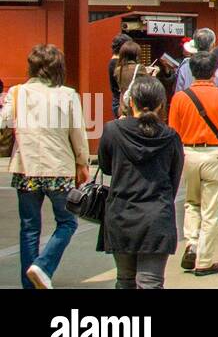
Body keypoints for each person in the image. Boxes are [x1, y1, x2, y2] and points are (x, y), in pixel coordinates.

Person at [1, 45, 90, 289]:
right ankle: (43, 266)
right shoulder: (68, 94)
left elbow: (3, 121)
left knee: (29, 227)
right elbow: (77, 133)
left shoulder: (17, 93)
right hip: (58, 168)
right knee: (67, 222)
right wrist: (82, 163)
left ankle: (30, 283)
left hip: (26, 169)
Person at [96, 76, 184, 288]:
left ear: (131, 102)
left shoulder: (112, 131)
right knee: (151, 282)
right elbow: (174, 177)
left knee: (125, 280)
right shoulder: (170, 136)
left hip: (121, 215)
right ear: (161, 104)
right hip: (157, 217)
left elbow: (106, 167)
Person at [169, 49, 218, 277]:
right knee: (210, 210)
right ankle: (204, 259)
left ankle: (191, 243)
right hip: (215, 154)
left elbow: (174, 131)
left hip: (188, 153)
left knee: (191, 202)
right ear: (214, 71)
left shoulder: (180, 98)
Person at [176, 28, 218, 106]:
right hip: (217, 114)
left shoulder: (185, 68)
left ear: (195, 45)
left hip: (189, 113)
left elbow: (178, 97)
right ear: (213, 45)